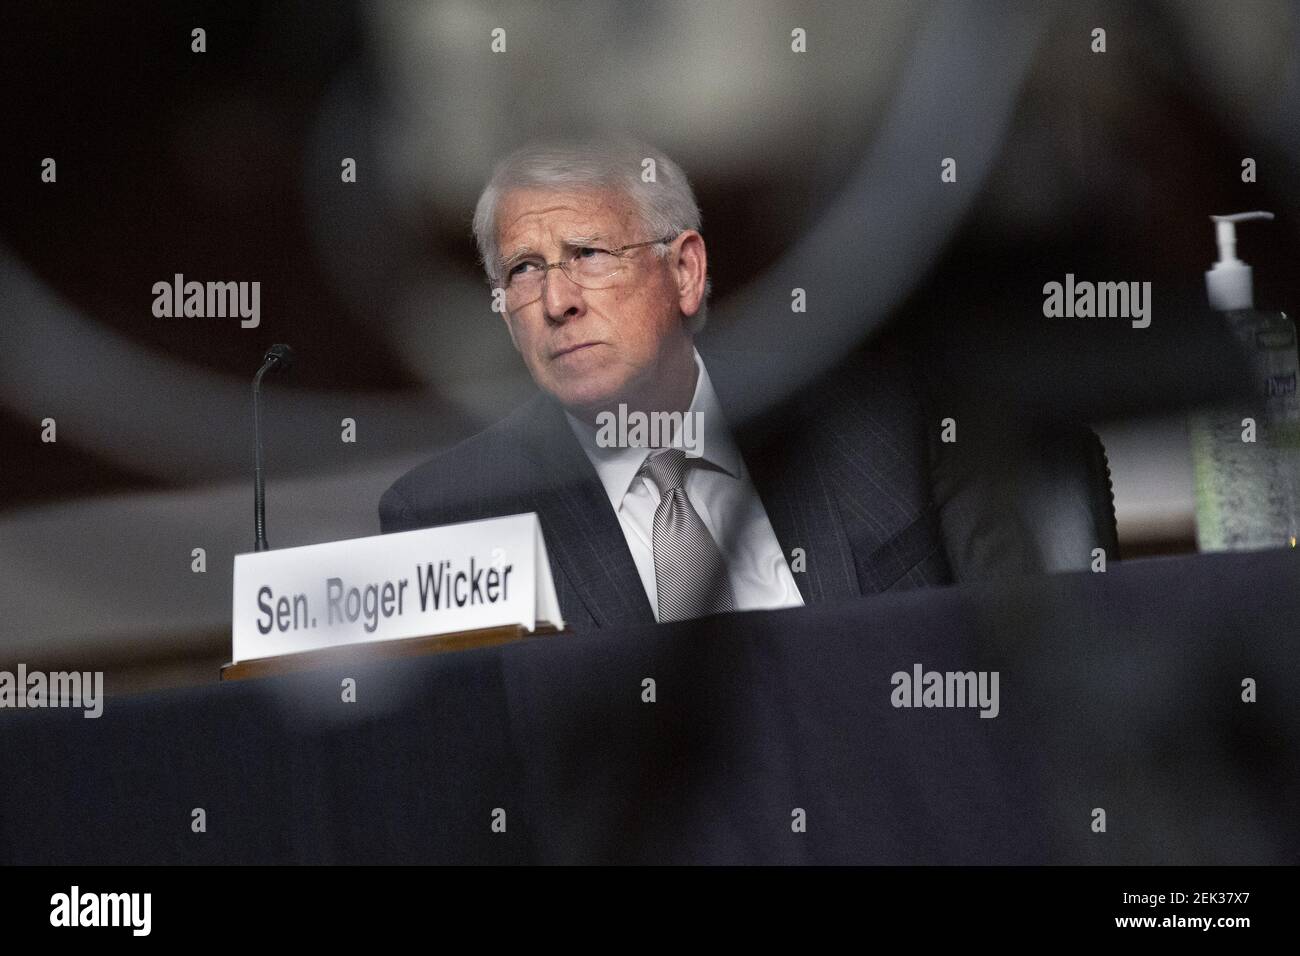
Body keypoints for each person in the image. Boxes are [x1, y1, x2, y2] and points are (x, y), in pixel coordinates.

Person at [380, 135, 954, 629]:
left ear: (684, 272)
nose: (556, 302)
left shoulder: (873, 426)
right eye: (523, 270)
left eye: (589, 254)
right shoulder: (456, 515)